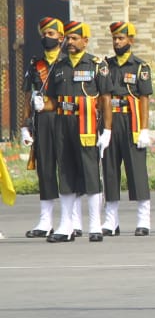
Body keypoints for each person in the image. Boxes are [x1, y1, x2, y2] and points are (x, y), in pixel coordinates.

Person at [46, 21, 109, 242]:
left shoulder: (96, 65)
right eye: (68, 38)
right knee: (65, 173)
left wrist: (107, 130)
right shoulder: (59, 65)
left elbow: (105, 99)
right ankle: (66, 225)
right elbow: (52, 100)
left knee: (91, 173)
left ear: (85, 40)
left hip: (87, 125)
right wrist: (40, 106)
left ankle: (95, 225)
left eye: (74, 38)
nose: (69, 42)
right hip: (63, 123)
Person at [99, 21, 154, 236]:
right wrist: (105, 128)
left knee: (137, 171)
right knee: (110, 170)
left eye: (120, 38)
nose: (117, 42)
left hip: (132, 121)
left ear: (130, 40)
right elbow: (102, 97)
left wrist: (145, 129)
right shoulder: (106, 66)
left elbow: (144, 99)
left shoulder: (140, 66)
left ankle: (143, 220)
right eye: (114, 38)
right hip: (112, 120)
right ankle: (111, 221)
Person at [19, 17, 64, 238]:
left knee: (67, 170)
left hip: (64, 118)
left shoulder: (67, 62)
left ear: (61, 37)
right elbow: (27, 94)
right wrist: (24, 126)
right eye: (44, 34)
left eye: (51, 34)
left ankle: (69, 220)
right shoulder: (35, 63)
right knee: (45, 169)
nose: (47, 38)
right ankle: (45, 221)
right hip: (43, 122)